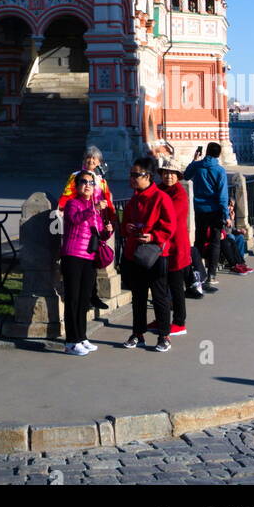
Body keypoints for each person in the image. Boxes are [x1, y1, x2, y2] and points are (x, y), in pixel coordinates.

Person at [120, 159, 175, 353]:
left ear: (148, 176)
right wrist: (126, 228)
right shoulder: (133, 199)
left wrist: (153, 236)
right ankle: (138, 333)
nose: (132, 179)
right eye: (131, 175)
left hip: (155, 254)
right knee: (138, 295)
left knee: (159, 296)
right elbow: (124, 223)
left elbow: (170, 226)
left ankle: (164, 335)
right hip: (136, 253)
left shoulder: (161, 198)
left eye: (136, 175)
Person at [60, 171, 113, 355]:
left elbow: (97, 234)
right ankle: (70, 341)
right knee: (73, 299)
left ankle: (82, 337)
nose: (87, 185)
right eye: (83, 182)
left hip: (89, 258)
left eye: (91, 182)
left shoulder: (94, 207)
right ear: (77, 185)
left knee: (84, 300)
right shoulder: (72, 204)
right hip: (73, 255)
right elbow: (74, 220)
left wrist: (107, 231)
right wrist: (94, 209)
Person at [59, 148, 116, 311]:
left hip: (96, 224)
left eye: (94, 159)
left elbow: (107, 199)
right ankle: (87, 297)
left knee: (94, 262)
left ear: (99, 162)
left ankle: (94, 295)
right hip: (81, 221)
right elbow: (68, 195)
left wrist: (108, 218)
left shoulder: (101, 180)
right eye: (88, 158)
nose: (91, 161)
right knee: (84, 263)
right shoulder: (77, 176)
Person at [183, 143, 228, 290]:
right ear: (219, 154)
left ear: (207, 152)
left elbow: (186, 175)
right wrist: (225, 214)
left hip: (200, 209)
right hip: (215, 210)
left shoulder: (197, 166)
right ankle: (211, 275)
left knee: (199, 240)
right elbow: (222, 196)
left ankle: (197, 272)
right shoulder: (220, 170)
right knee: (215, 242)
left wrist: (194, 160)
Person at [156, 163, 191, 336]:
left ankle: (179, 322)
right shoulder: (159, 189)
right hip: (161, 246)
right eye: (165, 173)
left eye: (172, 173)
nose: (168, 176)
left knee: (176, 286)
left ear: (178, 176)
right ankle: (162, 318)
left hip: (176, 246)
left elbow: (170, 218)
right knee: (160, 285)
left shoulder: (180, 194)